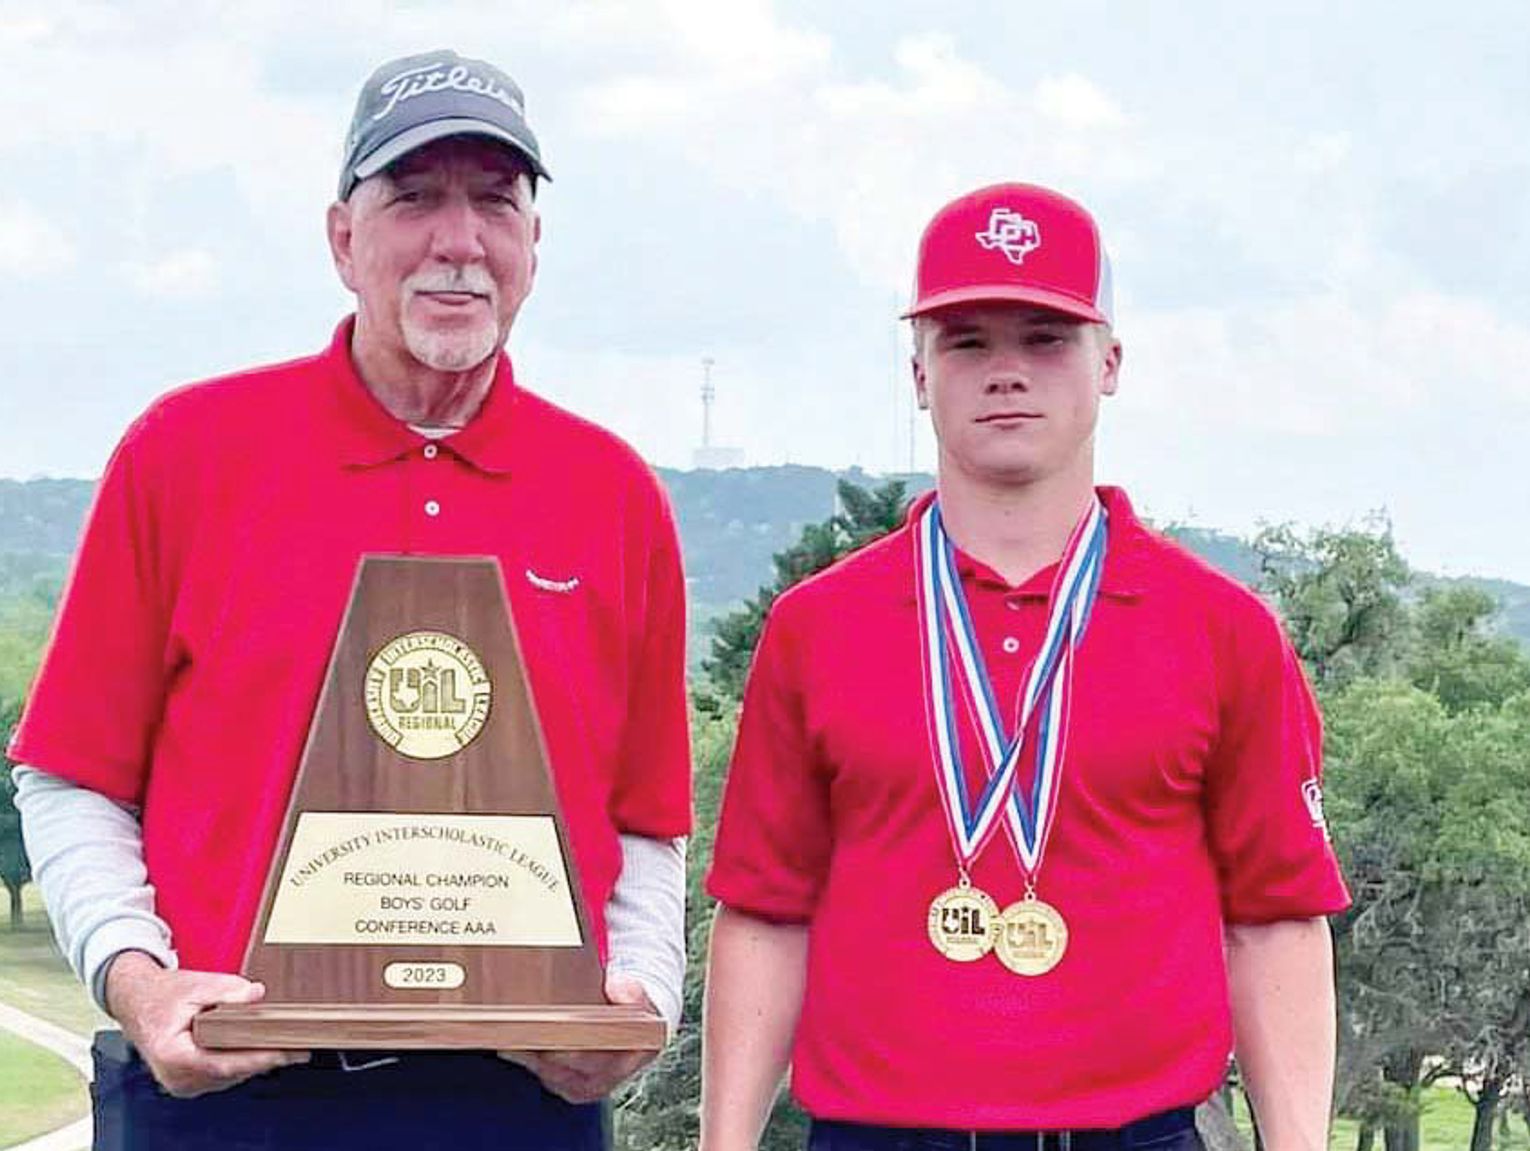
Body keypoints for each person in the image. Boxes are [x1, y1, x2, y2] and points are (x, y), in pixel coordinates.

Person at [8, 48, 691, 1151]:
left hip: (514, 1102)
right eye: (415, 197)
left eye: (495, 202)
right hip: (225, 1095)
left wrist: (640, 990)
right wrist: (139, 982)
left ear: (532, 245)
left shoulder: (612, 493)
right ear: (342, 238)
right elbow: (71, 770)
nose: (457, 240)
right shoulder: (186, 453)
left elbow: (647, 819)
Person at [700, 183, 1348, 1151]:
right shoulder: (815, 627)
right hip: (875, 1132)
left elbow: (1276, 918)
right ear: (919, 372)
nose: (1007, 371)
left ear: (1111, 362)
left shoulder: (1225, 629)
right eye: (967, 341)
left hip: (1133, 1133)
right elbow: (764, 909)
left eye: (1045, 338)